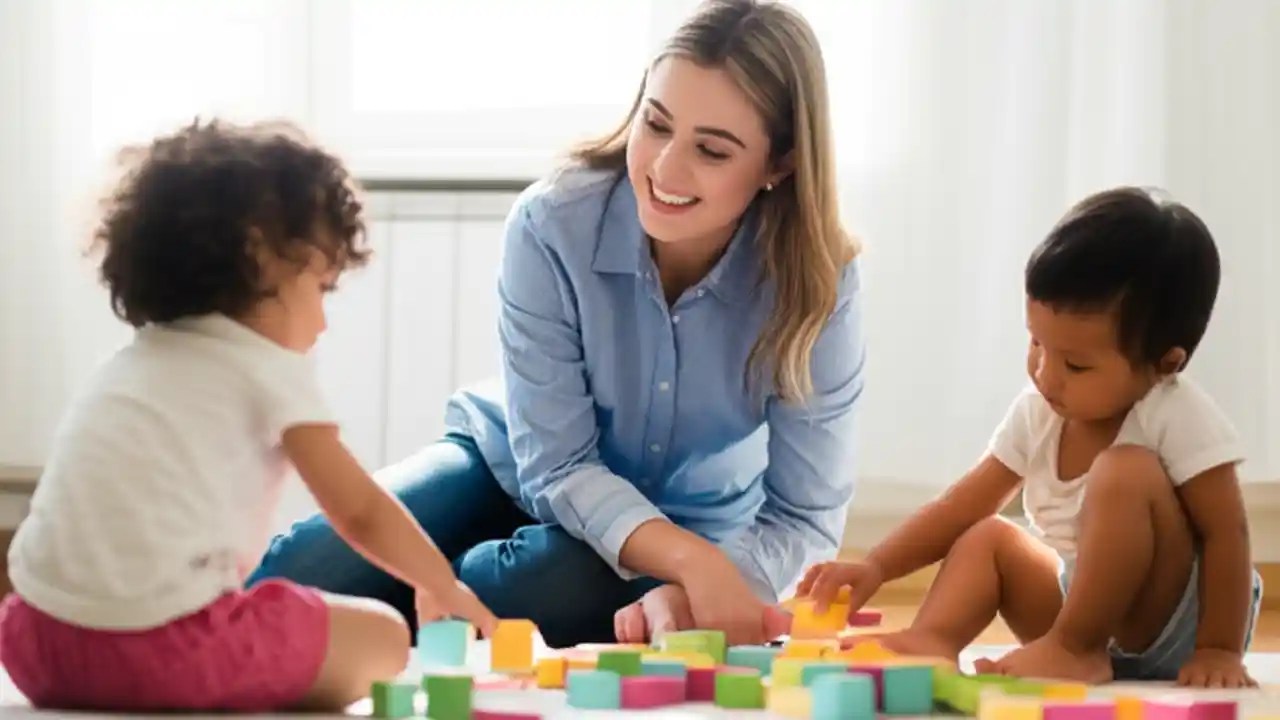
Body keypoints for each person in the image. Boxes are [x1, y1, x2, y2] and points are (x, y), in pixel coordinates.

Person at [249, 0, 866, 649]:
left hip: (686, 526)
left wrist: (699, 576)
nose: (663, 169)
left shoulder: (820, 281)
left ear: (780, 164)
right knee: (305, 570)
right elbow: (558, 463)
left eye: (711, 151)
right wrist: (694, 563)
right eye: (655, 125)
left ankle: (414, 624)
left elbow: (803, 515)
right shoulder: (554, 223)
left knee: (509, 593)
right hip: (511, 464)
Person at [0, 120, 498, 713]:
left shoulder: (132, 361)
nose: (323, 321)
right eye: (321, 287)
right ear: (259, 256)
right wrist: (438, 583)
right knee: (384, 638)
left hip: (35, 642)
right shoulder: (266, 368)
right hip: (160, 653)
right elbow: (358, 509)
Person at [798, 187, 1262, 688]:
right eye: (1035, 342)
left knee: (1125, 470)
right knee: (990, 534)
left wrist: (1219, 649)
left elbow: (1227, 533)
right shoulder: (1040, 411)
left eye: (1076, 364)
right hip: (1079, 607)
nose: (1045, 374)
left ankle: (1075, 648)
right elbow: (963, 505)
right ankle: (933, 639)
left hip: (1175, 628)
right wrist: (876, 567)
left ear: (1164, 365)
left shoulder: (1173, 412)